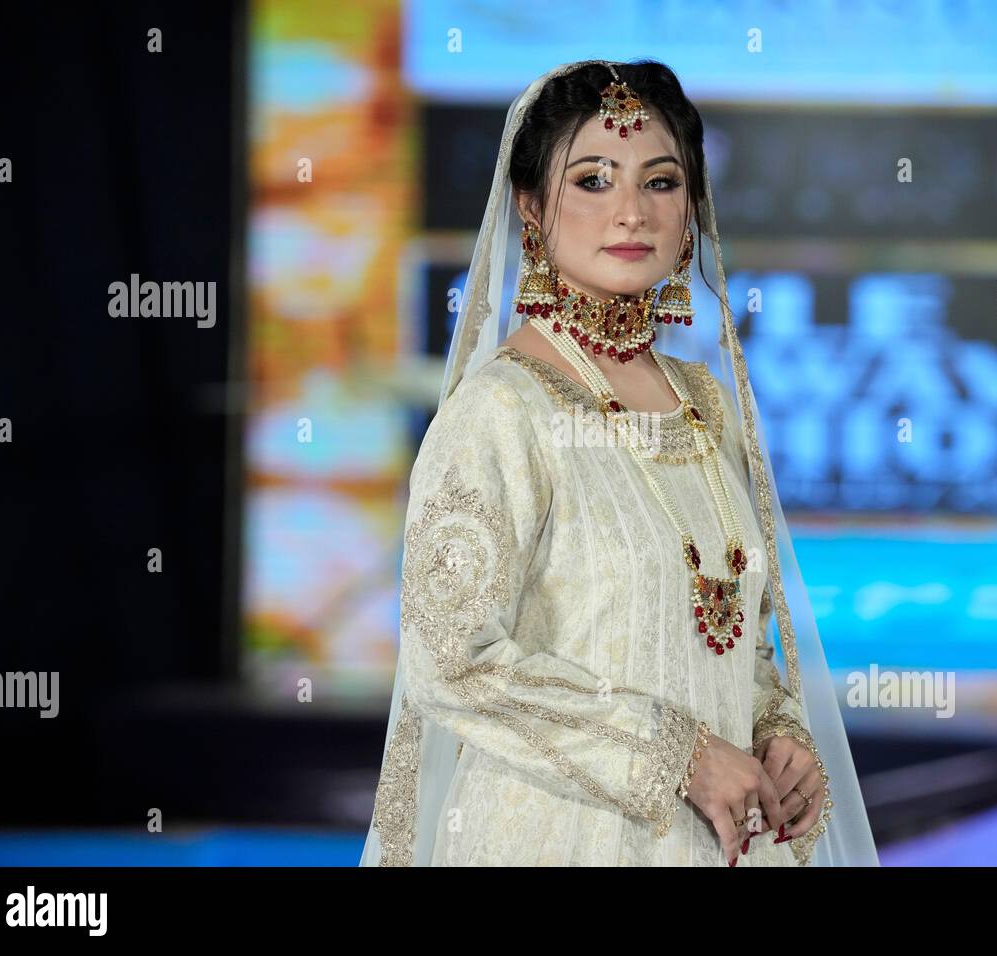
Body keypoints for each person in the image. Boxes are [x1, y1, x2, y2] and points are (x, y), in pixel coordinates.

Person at [359, 59, 880, 866]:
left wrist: (777, 734)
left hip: (719, 842)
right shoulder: (502, 411)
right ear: (531, 209)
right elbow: (450, 662)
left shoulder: (704, 404)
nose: (631, 212)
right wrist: (675, 755)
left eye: (661, 182)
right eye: (593, 179)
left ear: (692, 207)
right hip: (558, 838)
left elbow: (728, 639)